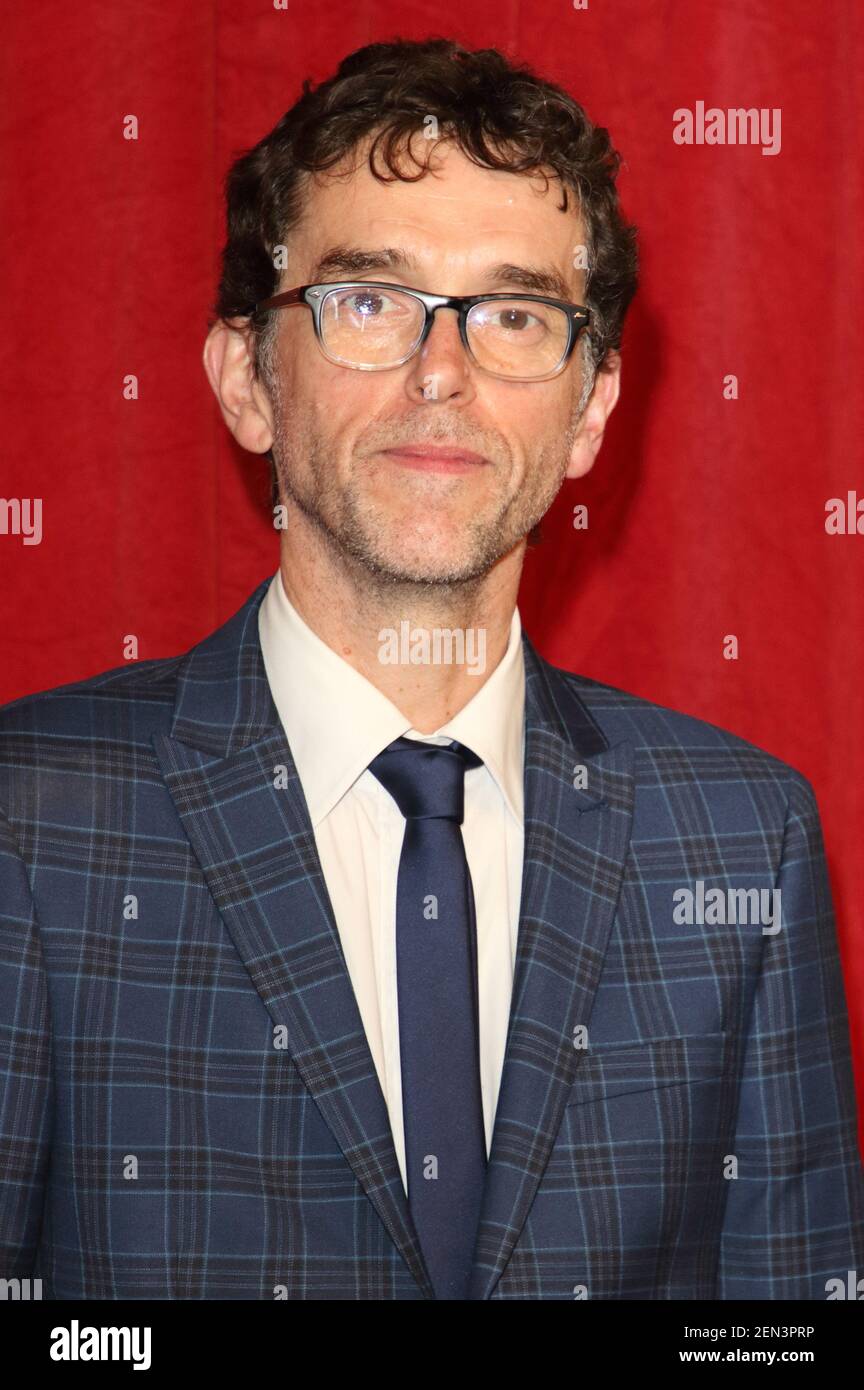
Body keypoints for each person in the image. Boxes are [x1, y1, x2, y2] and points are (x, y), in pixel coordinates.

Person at [1, 37, 862, 1302]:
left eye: (515, 314)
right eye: (369, 303)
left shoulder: (745, 841)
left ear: (590, 409)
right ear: (247, 377)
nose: (441, 371)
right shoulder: (30, 819)